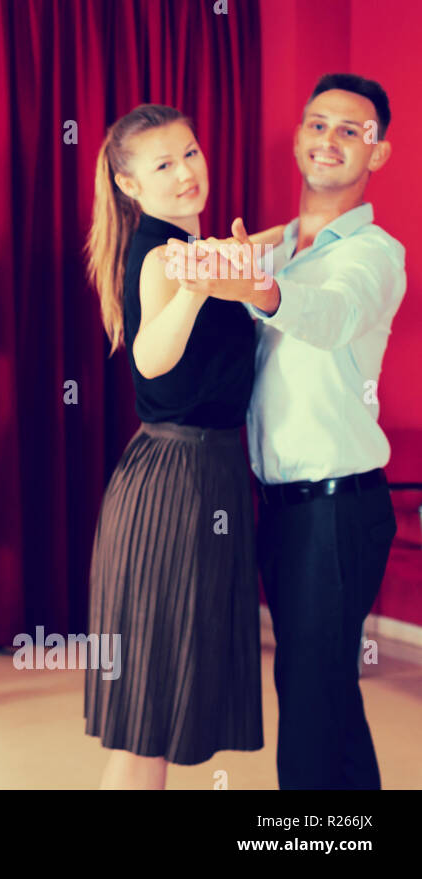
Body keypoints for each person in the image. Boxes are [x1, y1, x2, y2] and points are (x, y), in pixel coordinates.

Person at [182, 74, 404, 790]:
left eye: (351, 129)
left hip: (338, 509)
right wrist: (253, 274)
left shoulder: (375, 253)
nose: (330, 139)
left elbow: (331, 314)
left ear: (380, 152)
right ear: (299, 138)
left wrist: (261, 291)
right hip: (279, 509)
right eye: (318, 124)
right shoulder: (272, 250)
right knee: (329, 691)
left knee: (309, 695)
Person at [81, 104, 268, 789]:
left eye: (190, 152)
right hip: (177, 486)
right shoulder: (166, 257)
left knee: (151, 716)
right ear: (131, 185)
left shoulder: (191, 248)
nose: (187, 172)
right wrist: (194, 292)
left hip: (192, 475)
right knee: (146, 722)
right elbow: (151, 358)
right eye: (164, 164)